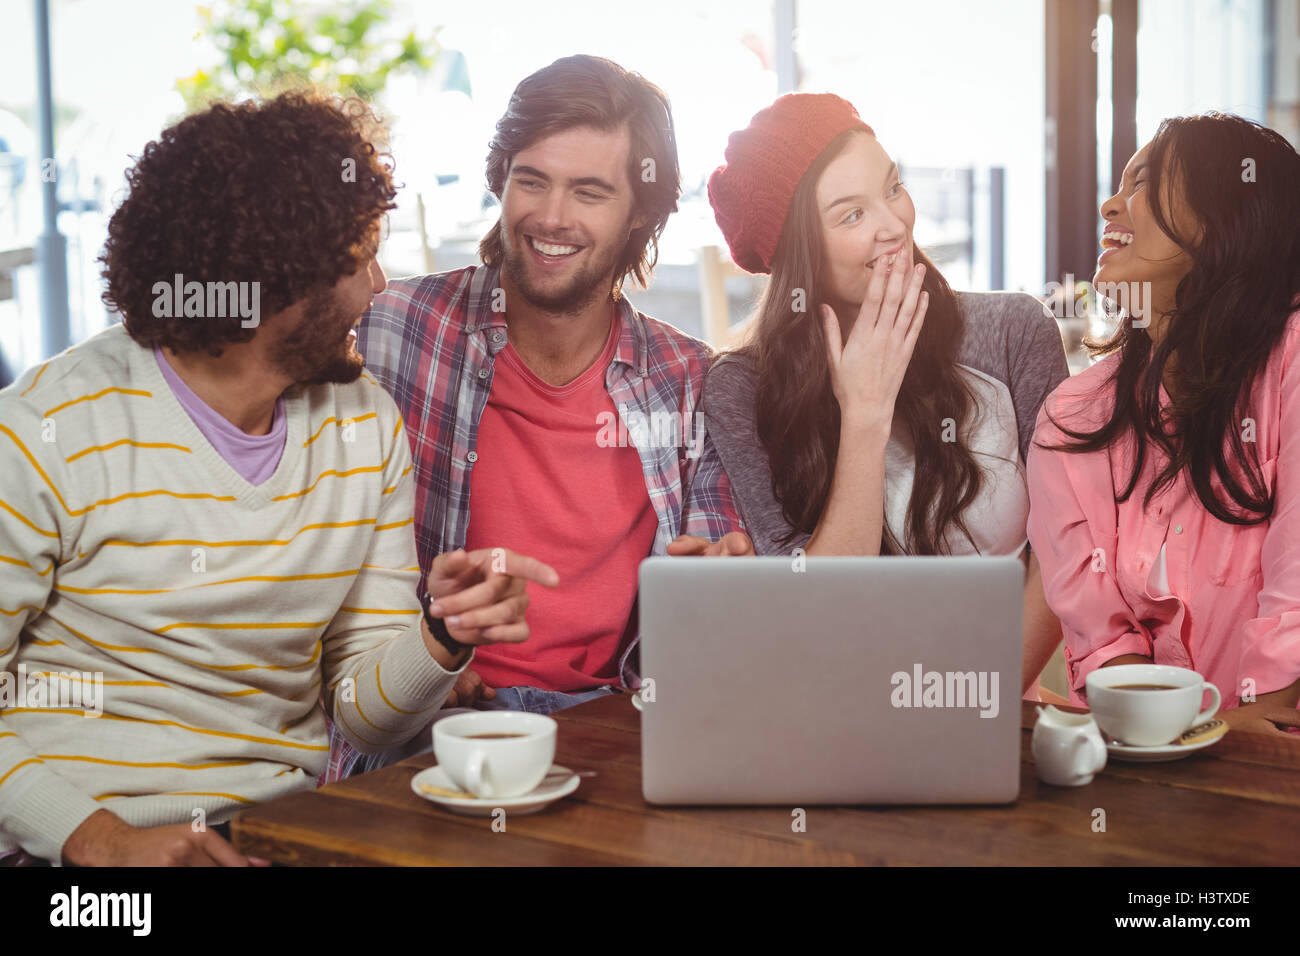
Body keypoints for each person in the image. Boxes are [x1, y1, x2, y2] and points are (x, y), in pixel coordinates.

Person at [0, 92, 549, 866]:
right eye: (361, 259)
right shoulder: (44, 431)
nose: (381, 284)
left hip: (273, 840)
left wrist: (441, 634)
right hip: (70, 852)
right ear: (284, 284)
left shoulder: (361, 425)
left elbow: (366, 719)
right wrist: (107, 843)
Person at [333, 55, 750, 779]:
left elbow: (711, 613)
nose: (551, 217)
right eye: (532, 180)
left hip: (609, 727)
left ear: (639, 217)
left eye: (589, 192)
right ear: (501, 180)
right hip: (428, 724)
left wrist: (717, 585)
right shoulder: (388, 330)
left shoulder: (688, 383)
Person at [701, 93, 1067, 696]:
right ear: (800, 254)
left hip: (1000, 698)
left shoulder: (1014, 332)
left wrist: (981, 701)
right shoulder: (741, 387)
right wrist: (865, 416)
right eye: (851, 215)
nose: (894, 225)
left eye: (892, 188)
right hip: (841, 703)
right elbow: (813, 606)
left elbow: (1065, 551)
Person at [1026, 112, 1300, 737]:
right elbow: (1101, 640)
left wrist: (1246, 754)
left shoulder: (1291, 355)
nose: (1109, 204)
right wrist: (1163, 752)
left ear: (1230, 211)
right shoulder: (1073, 418)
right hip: (1150, 770)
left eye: (1144, 182)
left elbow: (1297, 598)